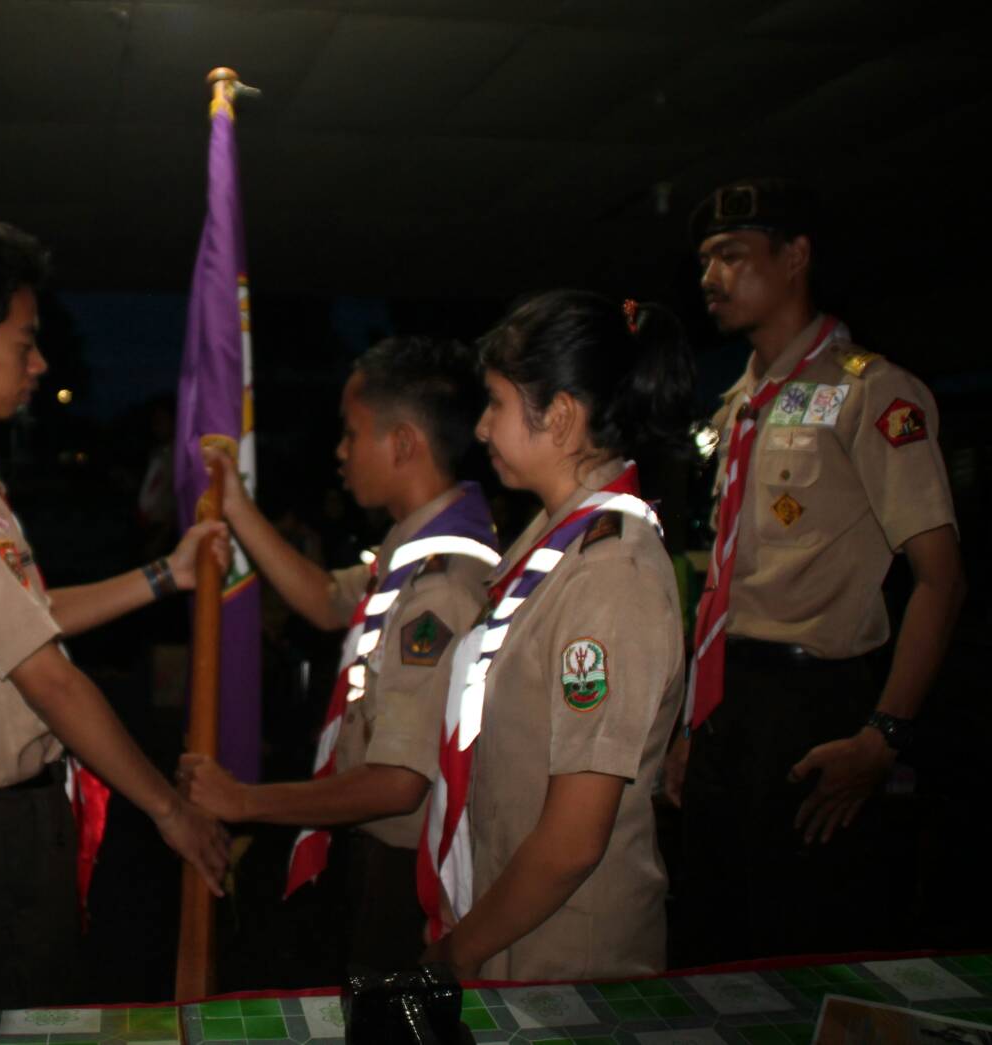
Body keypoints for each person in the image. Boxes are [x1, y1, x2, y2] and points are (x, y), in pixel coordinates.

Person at [0, 216, 230, 1009]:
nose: (40, 363)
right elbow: (50, 681)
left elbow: (23, 614)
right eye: (23, 342)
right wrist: (170, 811)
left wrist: (165, 574)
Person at [665, 178, 965, 965]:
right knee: (712, 933)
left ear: (794, 257)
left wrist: (884, 734)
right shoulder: (738, 402)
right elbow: (724, 574)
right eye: (703, 260)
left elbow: (940, 576)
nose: (710, 278)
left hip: (815, 700)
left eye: (731, 255)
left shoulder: (869, 391)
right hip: (727, 698)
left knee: (805, 936)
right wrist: (693, 719)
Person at [178, 336, 499, 973]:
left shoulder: (441, 583)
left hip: (408, 869)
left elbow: (396, 784)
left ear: (403, 443)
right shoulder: (415, 551)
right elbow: (327, 600)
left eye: (352, 435)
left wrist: (245, 802)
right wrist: (237, 508)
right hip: (378, 855)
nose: (340, 452)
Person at [420, 290, 694, 981]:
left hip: (565, 959)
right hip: (509, 931)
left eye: (496, 403)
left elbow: (572, 840)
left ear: (562, 417)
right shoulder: (550, 549)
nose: (481, 429)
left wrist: (454, 954)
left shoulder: (610, 578)